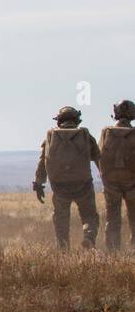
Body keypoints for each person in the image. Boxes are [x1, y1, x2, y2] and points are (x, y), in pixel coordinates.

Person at [33, 106, 100, 249]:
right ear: (76, 120)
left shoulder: (51, 136)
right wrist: (105, 176)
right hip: (84, 184)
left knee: (61, 219)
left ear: (59, 120)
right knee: (89, 216)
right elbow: (97, 157)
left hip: (59, 186)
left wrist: (38, 183)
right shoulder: (85, 135)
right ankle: (88, 237)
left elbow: (42, 162)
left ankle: (63, 247)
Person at [99, 100, 135, 250]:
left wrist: (105, 178)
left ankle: (113, 250)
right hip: (132, 181)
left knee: (112, 217)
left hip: (111, 182)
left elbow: (99, 155)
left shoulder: (106, 132)